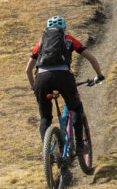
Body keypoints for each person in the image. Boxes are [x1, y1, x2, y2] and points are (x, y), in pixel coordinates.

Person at [26, 16, 104, 154]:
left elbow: (28, 70)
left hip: (42, 79)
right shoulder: (68, 39)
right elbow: (91, 58)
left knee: (45, 118)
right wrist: (99, 75)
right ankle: (80, 146)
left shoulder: (41, 42)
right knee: (76, 108)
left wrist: (34, 88)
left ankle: (47, 152)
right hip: (63, 77)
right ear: (64, 28)